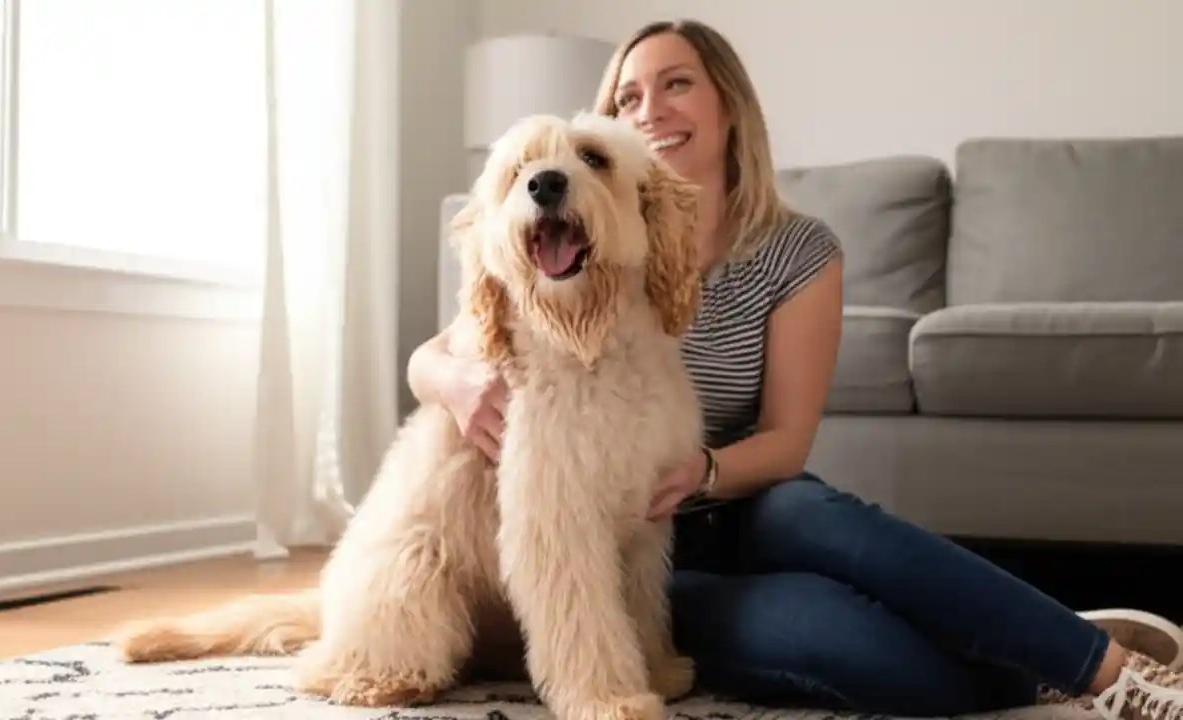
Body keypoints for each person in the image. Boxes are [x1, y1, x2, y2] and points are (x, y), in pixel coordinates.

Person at [407, 18, 1183, 718]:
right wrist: (447, 381)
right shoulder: (563, 248)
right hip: (643, 555)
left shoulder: (796, 250)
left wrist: (697, 471)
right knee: (861, 656)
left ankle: (1104, 665)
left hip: (741, 498)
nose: (652, 109)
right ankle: (1028, 655)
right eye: (629, 94)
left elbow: (788, 439)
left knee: (816, 516)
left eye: (677, 84)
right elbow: (454, 344)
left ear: (729, 107)